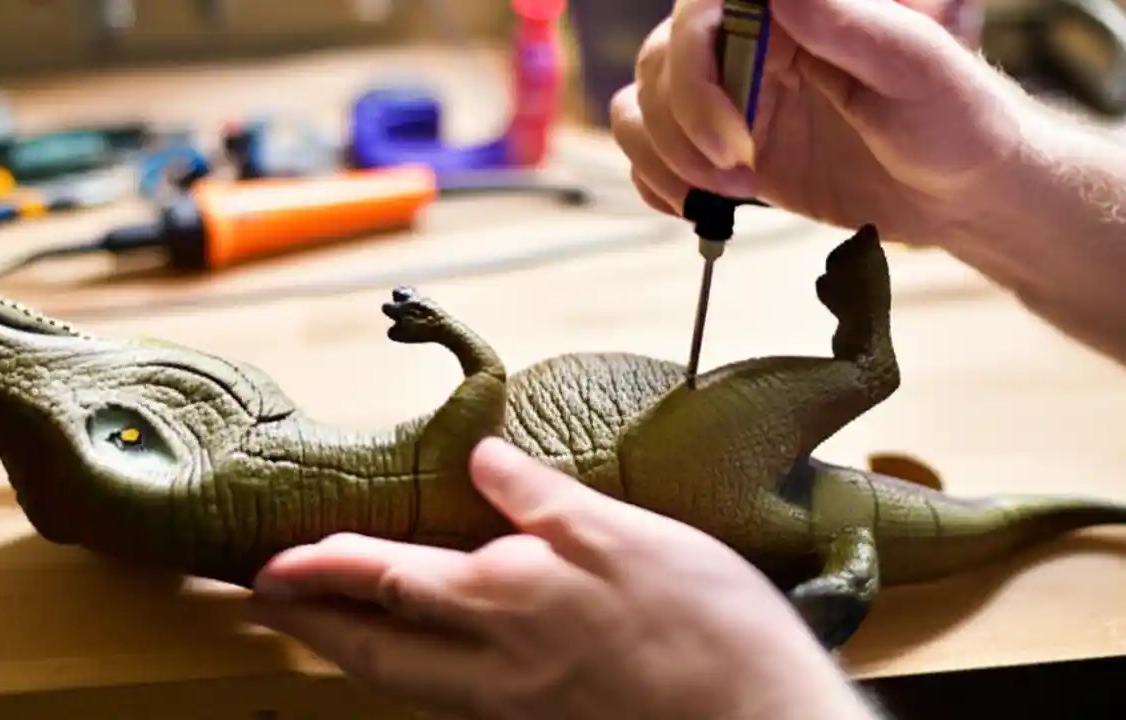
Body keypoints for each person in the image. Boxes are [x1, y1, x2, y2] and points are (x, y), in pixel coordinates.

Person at [245, 1, 1126, 718]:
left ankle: (863, 362)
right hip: (727, 487)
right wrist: (986, 183)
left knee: (798, 417)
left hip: (719, 492)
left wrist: (751, 697)